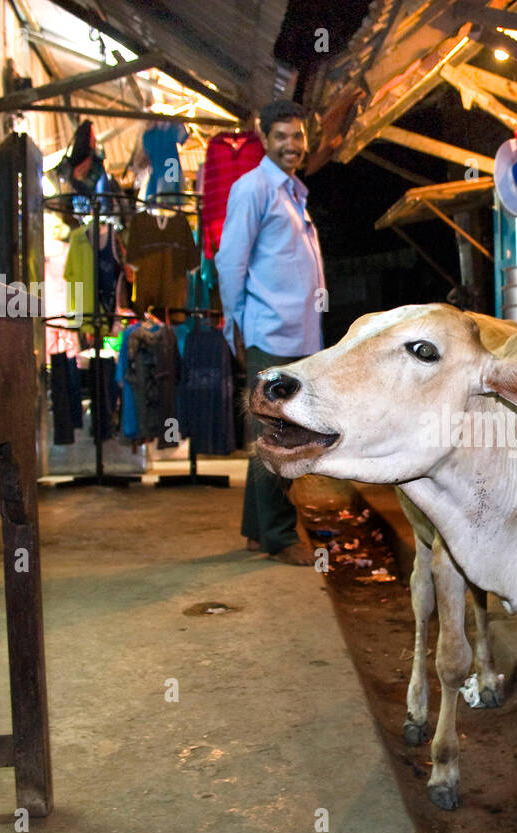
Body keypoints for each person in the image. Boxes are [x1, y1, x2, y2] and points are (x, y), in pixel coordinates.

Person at [216, 100, 325, 565]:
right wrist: (235, 324)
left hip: (295, 336)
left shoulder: (293, 192)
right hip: (269, 333)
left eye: (297, 135)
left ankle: (257, 531)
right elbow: (230, 261)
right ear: (263, 139)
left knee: (272, 431)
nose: (291, 144)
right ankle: (280, 537)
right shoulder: (253, 188)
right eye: (281, 136)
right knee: (278, 436)